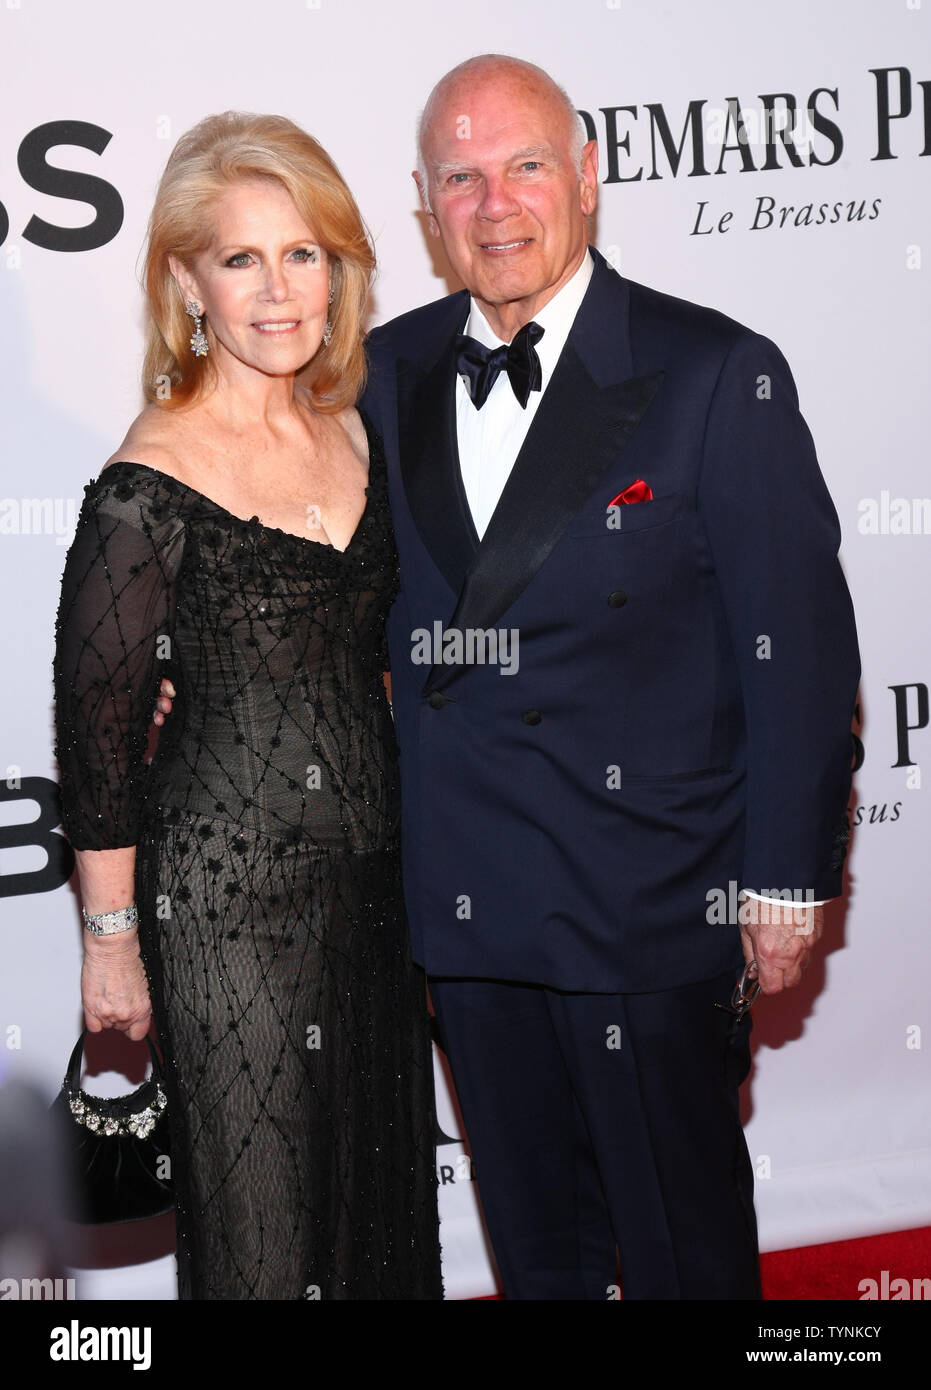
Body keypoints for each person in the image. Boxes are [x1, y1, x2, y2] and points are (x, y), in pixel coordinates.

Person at [358, 54, 860, 1299]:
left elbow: (794, 652)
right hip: (468, 904)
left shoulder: (710, 372)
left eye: (525, 164)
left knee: (682, 1250)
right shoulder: (376, 375)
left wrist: (785, 883)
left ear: (587, 175)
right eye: (460, 178)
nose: (496, 204)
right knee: (540, 1255)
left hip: (650, 899)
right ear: (425, 209)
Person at [53, 111, 443, 1300]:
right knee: (263, 1247)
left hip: (378, 890)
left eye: (304, 254)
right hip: (228, 903)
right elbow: (98, 735)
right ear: (186, 281)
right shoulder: (149, 477)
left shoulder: (358, 431)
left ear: (340, 265)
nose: (279, 291)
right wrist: (110, 944)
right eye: (241, 259)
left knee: (378, 1231)